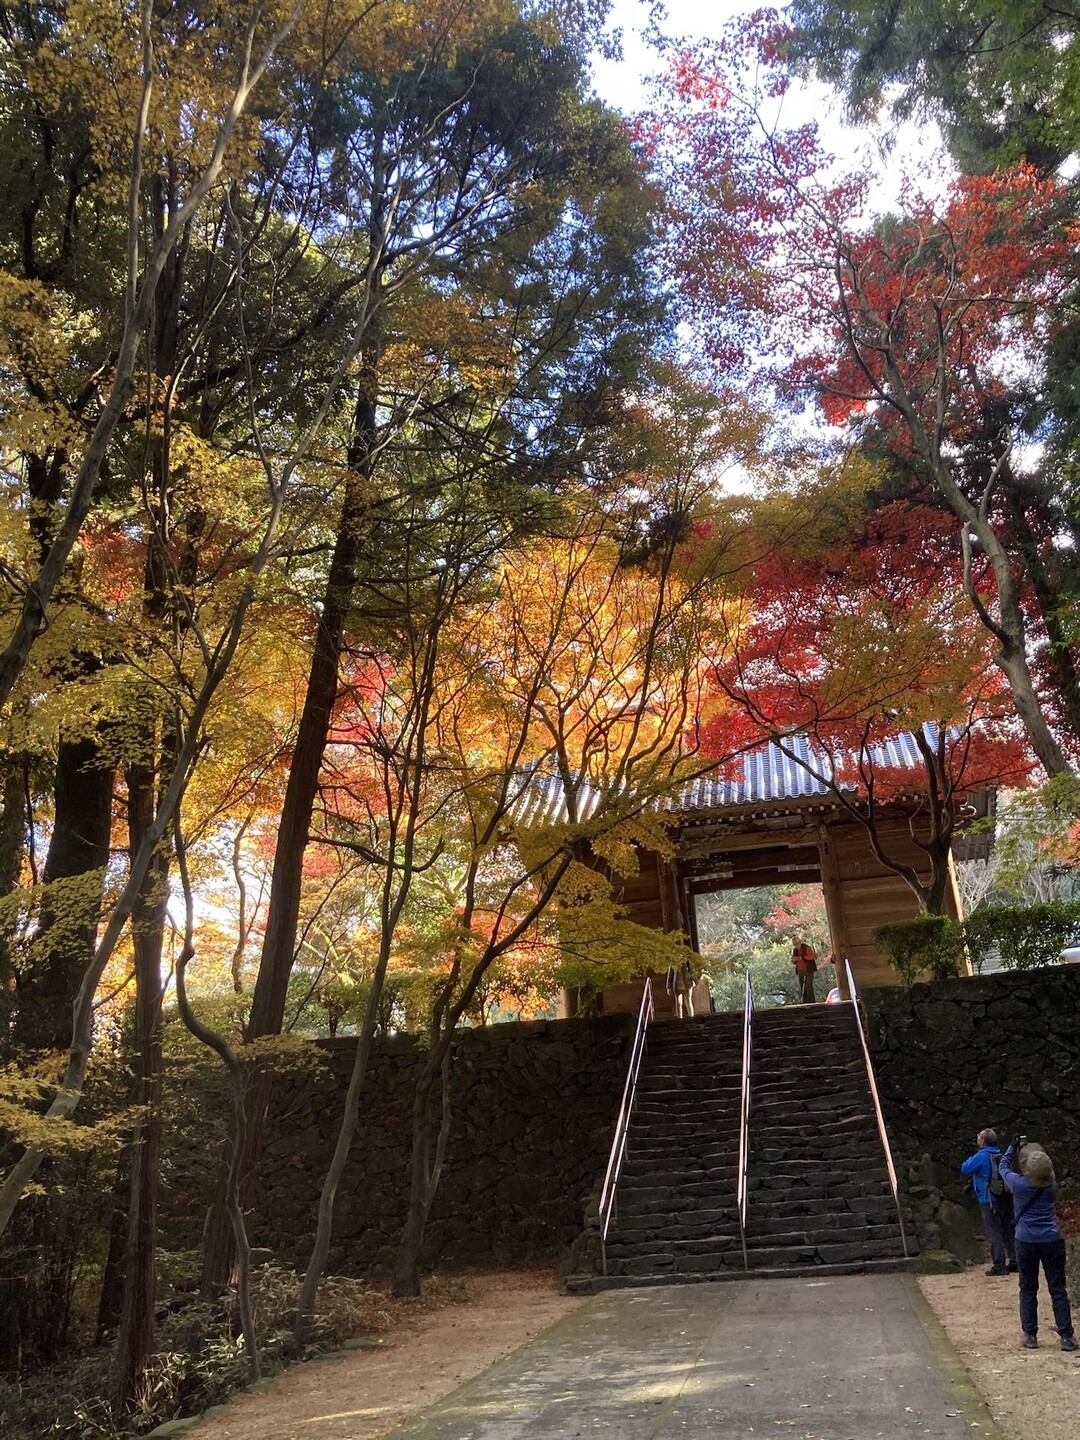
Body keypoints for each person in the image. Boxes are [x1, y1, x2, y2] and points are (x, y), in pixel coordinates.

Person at [999, 1138, 1078, 1352]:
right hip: (1052, 1240)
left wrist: (1012, 1148)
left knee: (1027, 1288)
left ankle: (1031, 1334)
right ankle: (1066, 1336)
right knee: (1058, 1289)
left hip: (1025, 1241)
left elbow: (1003, 1167)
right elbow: (1044, 1174)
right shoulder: (1051, 1186)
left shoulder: (1019, 1185)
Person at [960, 1128, 1017, 1276]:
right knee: (1009, 1231)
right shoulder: (1000, 1154)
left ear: (983, 1141)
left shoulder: (981, 1157)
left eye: (979, 1136)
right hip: (1005, 1197)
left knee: (994, 1233)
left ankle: (999, 1266)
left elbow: (965, 1168)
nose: (977, 1137)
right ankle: (1015, 1260)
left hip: (989, 1200)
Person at [791, 938, 817, 1004]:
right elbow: (793, 960)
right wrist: (794, 959)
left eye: (797, 944)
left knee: (808, 986)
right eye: (795, 945)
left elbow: (812, 956)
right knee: (802, 986)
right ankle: (804, 1001)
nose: (797, 946)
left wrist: (803, 957)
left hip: (808, 969)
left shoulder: (806, 948)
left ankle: (811, 1001)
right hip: (800, 970)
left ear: (800, 942)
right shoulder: (795, 950)